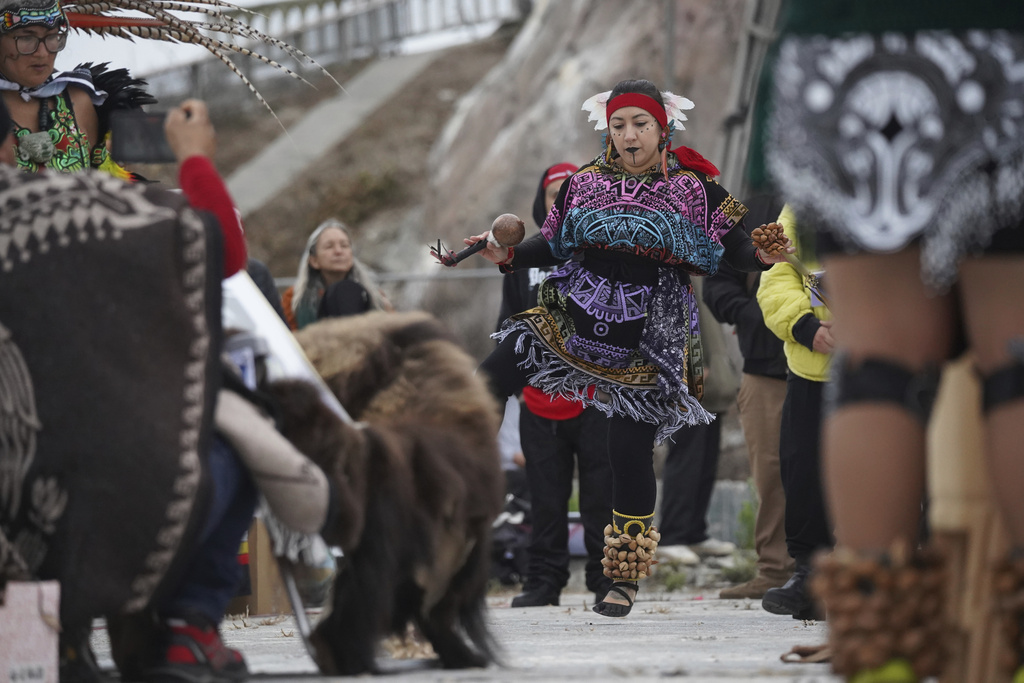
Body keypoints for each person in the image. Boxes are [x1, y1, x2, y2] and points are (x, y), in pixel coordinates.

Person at [755, 1, 1024, 679]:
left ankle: (879, 652)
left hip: (844, 46)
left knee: (876, 353)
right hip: (999, 42)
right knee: (1014, 350)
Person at [466, 78, 793, 618]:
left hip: (650, 330)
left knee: (627, 450)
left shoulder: (695, 187)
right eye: (619, 125)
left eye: (640, 124)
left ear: (662, 129)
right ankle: (464, 497)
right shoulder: (584, 182)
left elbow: (736, 247)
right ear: (608, 131)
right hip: (574, 309)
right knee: (488, 380)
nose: (629, 134)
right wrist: (507, 255)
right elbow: (554, 241)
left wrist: (764, 254)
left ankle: (622, 578)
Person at [0, 0, 311, 177]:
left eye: (53, 38)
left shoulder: (83, 98)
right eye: (26, 39)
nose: (43, 52)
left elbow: (161, 150)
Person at [499, 162, 614, 608]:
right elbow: (508, 326)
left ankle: (606, 581)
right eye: (554, 193)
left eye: (571, 191)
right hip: (540, 400)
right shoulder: (522, 257)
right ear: (541, 202)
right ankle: (544, 581)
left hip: (597, 397)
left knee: (601, 497)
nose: (562, 199)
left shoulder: (604, 248)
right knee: (546, 498)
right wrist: (510, 385)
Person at [702, 192, 793, 600]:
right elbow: (718, 281)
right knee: (770, 471)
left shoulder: (840, 201)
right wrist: (753, 315)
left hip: (836, 364)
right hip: (766, 365)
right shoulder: (752, 207)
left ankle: (840, 568)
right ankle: (775, 569)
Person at [755, 205, 833, 620]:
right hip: (811, 371)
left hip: (879, 365)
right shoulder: (802, 208)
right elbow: (777, 282)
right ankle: (809, 573)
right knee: (802, 471)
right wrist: (807, 327)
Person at [281, 219, 390, 330]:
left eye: (344, 245)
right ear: (314, 260)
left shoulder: (374, 296)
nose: (338, 251)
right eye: (329, 246)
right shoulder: (293, 300)